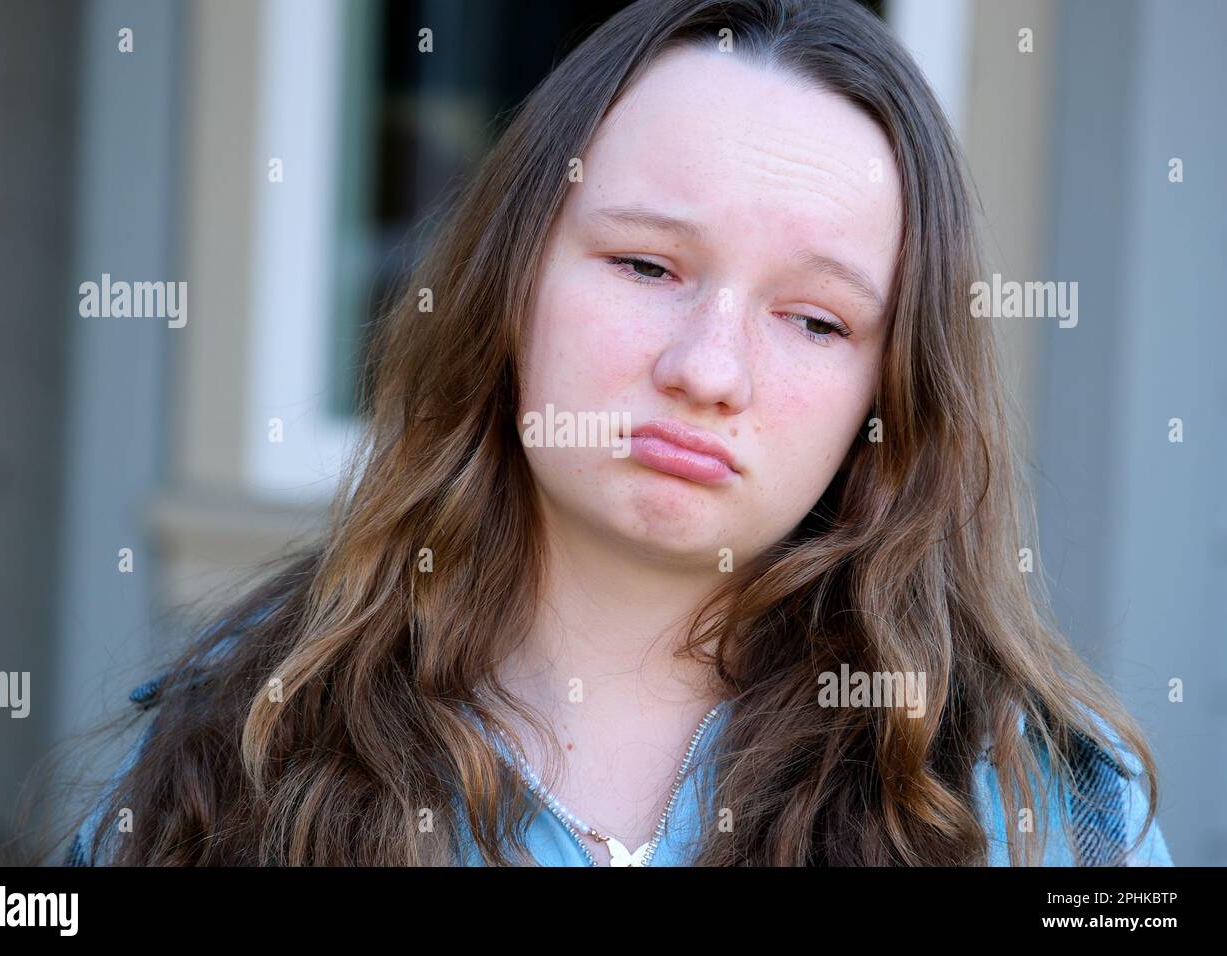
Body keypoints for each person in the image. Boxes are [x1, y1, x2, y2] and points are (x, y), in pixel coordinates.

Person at [64, 0, 1172, 867]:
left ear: (889, 390)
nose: (706, 369)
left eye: (816, 319)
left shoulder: (1046, 801)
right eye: (646, 265)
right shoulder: (245, 741)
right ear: (510, 281)